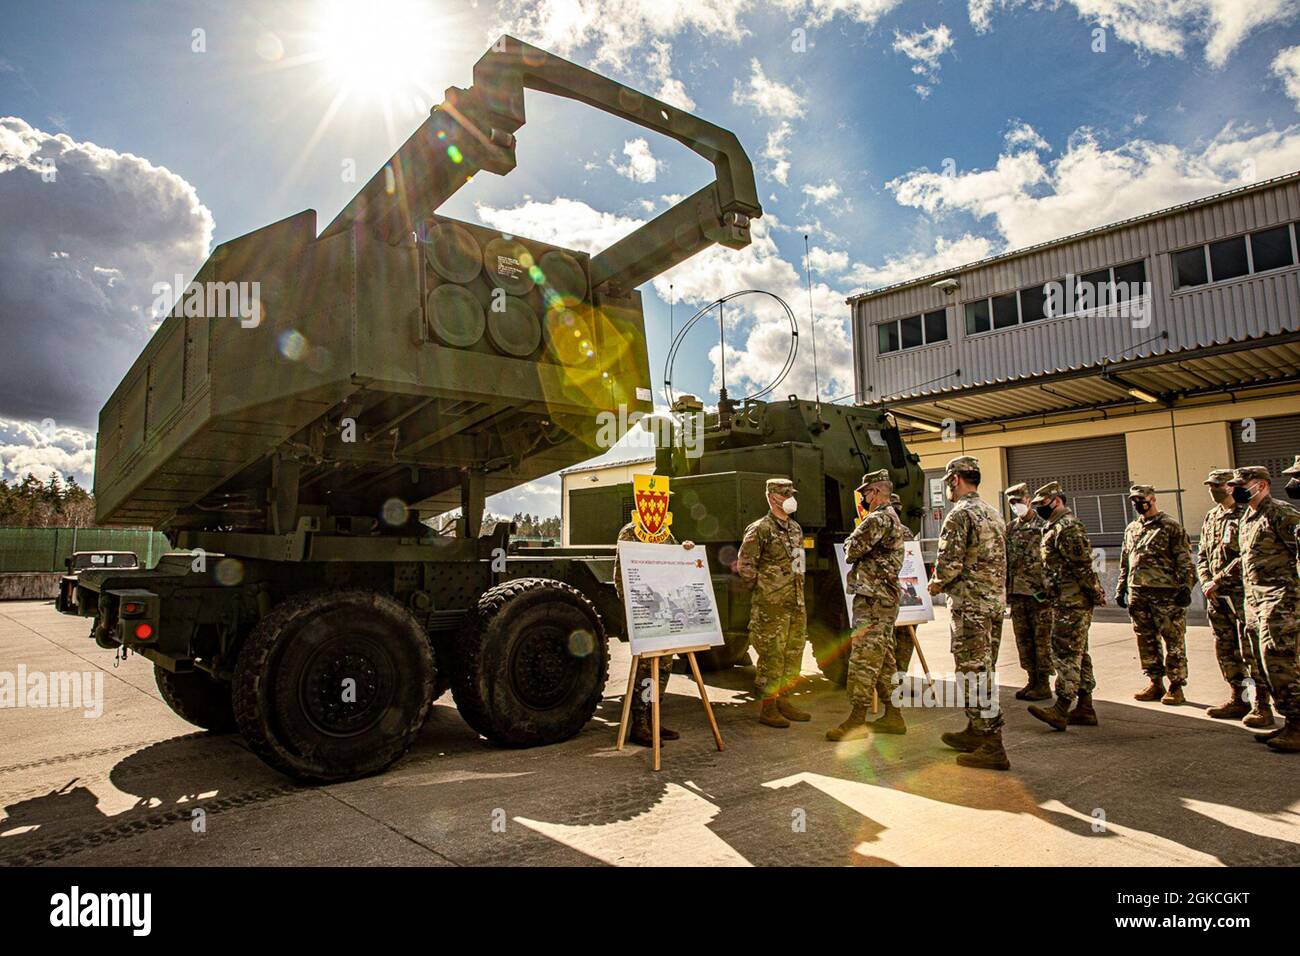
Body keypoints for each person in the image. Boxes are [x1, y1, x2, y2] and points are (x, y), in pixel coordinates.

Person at [929, 456, 1009, 771]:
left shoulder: (960, 515)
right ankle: (976, 731)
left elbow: (949, 565)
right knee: (985, 668)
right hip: (993, 604)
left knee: (974, 673)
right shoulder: (993, 513)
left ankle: (992, 744)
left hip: (971, 608)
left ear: (954, 480)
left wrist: (934, 584)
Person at [827, 470, 906, 741]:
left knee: (863, 657)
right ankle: (893, 715)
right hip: (884, 598)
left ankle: (857, 719)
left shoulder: (877, 519)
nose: (863, 498)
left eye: (865, 493)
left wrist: (854, 535)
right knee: (883, 657)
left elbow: (851, 550)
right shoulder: (892, 517)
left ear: (875, 492)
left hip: (873, 600)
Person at [1228, 466, 1300, 752]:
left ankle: (1298, 725)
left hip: (1282, 603)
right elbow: (1246, 558)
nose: (1235, 490)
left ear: (1261, 485)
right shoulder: (1248, 517)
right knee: (1263, 663)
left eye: (1241, 485)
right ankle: (1289, 721)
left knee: (1282, 663)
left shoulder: (1282, 513)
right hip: (1255, 602)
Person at [1027, 481, 1106, 731]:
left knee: (1065, 652)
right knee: (1079, 652)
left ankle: (1061, 707)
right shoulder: (1054, 527)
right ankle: (1085, 707)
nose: (1039, 509)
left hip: (1072, 601)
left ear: (1057, 501)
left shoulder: (1067, 527)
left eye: (1043, 504)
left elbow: (1083, 566)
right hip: (1064, 598)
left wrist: (1094, 593)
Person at [1198, 468, 1273, 727]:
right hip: (1216, 596)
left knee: (1250, 650)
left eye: (1217, 485)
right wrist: (1206, 581)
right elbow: (1202, 554)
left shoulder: (1246, 514)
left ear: (1230, 486)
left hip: (1242, 594)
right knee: (1226, 648)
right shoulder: (1211, 516)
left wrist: (1217, 580)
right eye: (1211, 486)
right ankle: (1238, 698)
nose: (1213, 490)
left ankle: (1261, 704)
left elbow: (1247, 555)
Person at [612, 519, 695, 747]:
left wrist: (686, 550)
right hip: (647, 613)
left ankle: (653, 720)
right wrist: (635, 610)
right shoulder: (631, 532)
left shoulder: (664, 532)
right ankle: (639, 725)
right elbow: (620, 576)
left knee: (664, 668)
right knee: (646, 670)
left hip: (665, 609)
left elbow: (675, 562)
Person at [736, 478, 809, 728]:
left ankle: (784, 701)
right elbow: (745, 565)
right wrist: (765, 590)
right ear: (771, 497)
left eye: (791, 493)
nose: (790, 498)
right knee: (772, 656)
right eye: (785, 494)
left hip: (796, 603)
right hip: (771, 606)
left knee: (793, 653)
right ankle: (768, 707)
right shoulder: (760, 528)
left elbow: (799, 564)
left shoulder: (796, 529)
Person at [1115, 484, 1196, 706]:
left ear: (1152, 499)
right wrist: (1121, 587)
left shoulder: (1170, 526)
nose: (1137, 503)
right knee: (1146, 639)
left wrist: (1186, 587)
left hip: (1165, 593)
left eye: (1141, 499)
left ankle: (1176, 685)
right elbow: (1126, 560)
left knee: (1173, 639)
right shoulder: (1132, 528)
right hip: (1138, 591)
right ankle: (1155, 682)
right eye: (1134, 500)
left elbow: (1184, 560)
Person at [1002, 482, 1053, 701]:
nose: (1016, 506)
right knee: (1023, 641)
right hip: (1017, 594)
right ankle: (1031, 679)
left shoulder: (1044, 525)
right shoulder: (1010, 528)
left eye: (1019, 501)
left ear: (1028, 500)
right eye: (1012, 503)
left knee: (1042, 640)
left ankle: (1043, 683)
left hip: (1039, 594)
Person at [889, 493, 918, 677]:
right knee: (905, 638)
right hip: (906, 592)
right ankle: (898, 676)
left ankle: (892, 678)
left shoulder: (881, 528)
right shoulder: (906, 531)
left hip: (892, 594)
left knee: (891, 639)